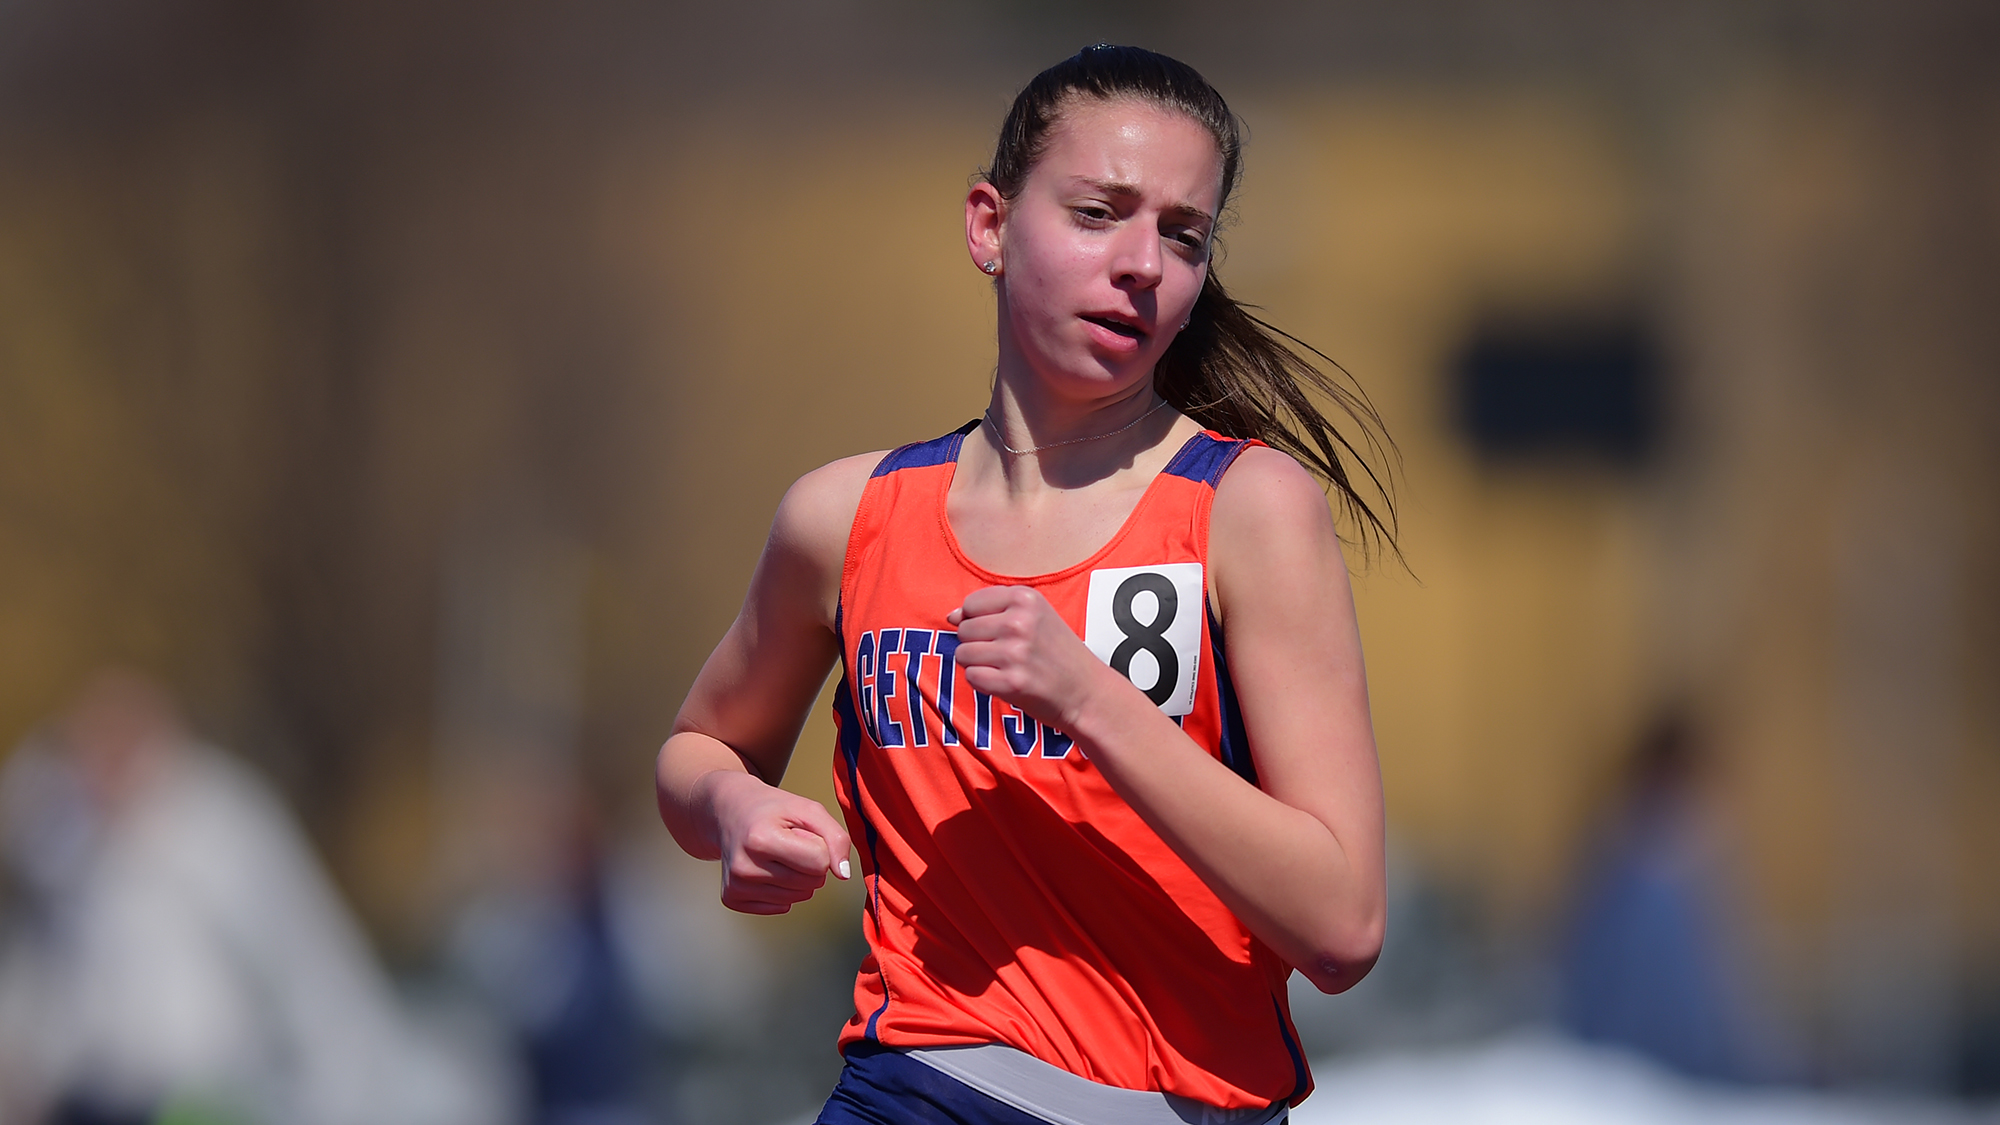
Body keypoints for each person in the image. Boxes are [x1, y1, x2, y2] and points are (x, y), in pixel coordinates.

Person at [655, 44, 1392, 1125]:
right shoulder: (847, 517)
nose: (1141, 261)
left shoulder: (1242, 508)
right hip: (915, 1088)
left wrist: (1090, 700)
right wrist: (732, 808)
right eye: (1099, 213)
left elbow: (1342, 928)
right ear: (988, 227)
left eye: (1182, 235)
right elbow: (695, 752)